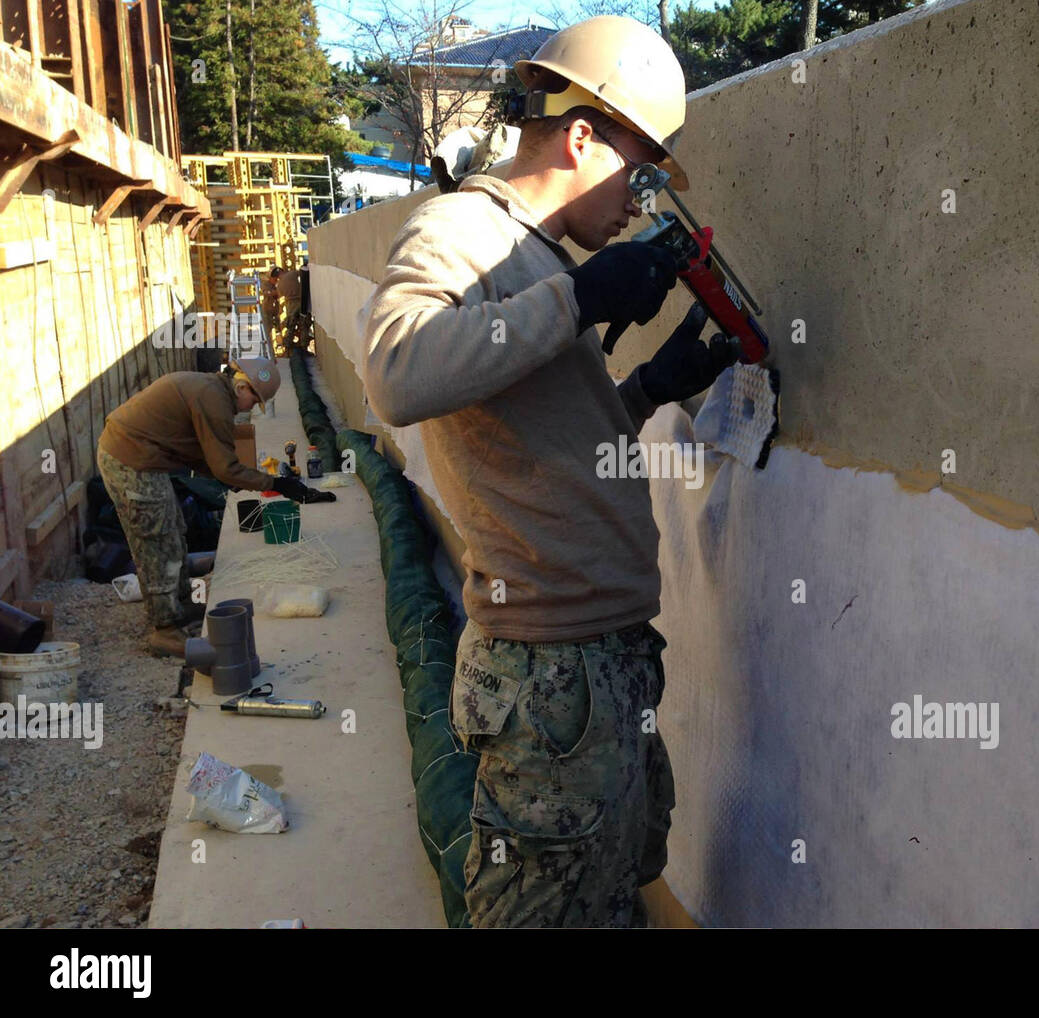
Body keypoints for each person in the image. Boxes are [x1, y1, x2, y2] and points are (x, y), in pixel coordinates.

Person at [363, 16, 737, 927]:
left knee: (609, 892)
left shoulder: (532, 256)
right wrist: (580, 295)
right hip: (547, 674)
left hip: (603, 661)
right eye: (642, 171)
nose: (644, 205)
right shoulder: (462, 230)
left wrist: (649, 388)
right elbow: (396, 371)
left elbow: (546, 437)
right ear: (581, 136)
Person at [96, 357, 336, 657]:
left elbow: (205, 456)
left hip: (144, 457)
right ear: (241, 385)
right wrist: (276, 484)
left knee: (173, 529)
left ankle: (180, 601)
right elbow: (224, 467)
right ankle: (163, 630)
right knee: (156, 540)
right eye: (254, 400)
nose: (249, 408)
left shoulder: (212, 391)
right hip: (130, 459)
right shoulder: (214, 401)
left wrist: (241, 479)